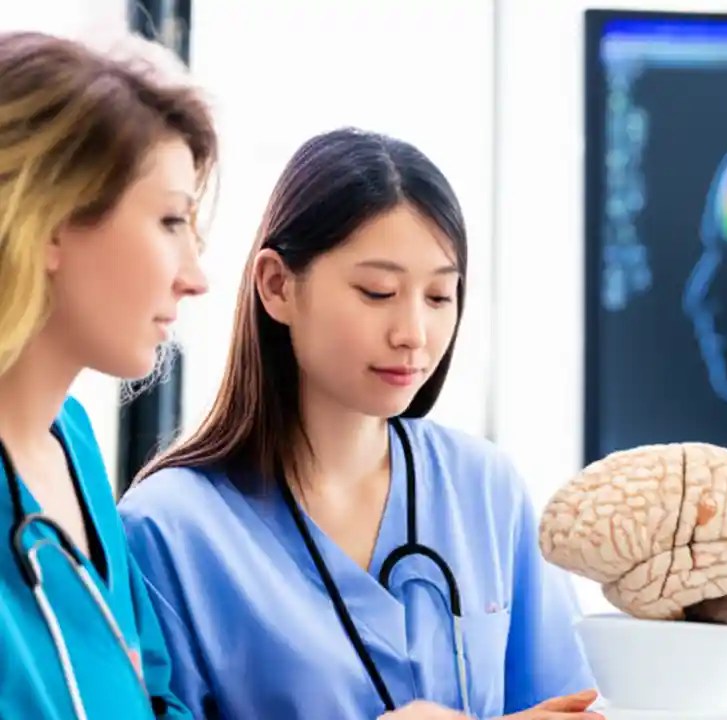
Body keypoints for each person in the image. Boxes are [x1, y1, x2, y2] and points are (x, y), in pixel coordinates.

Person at [116, 127, 599, 720]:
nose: (414, 334)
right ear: (277, 286)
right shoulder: (168, 529)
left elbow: (571, 705)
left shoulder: (485, 489)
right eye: (378, 292)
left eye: (440, 297)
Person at [0, 29, 216, 720]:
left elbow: (154, 698)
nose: (195, 277)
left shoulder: (74, 441)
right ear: (53, 220)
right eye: (169, 221)